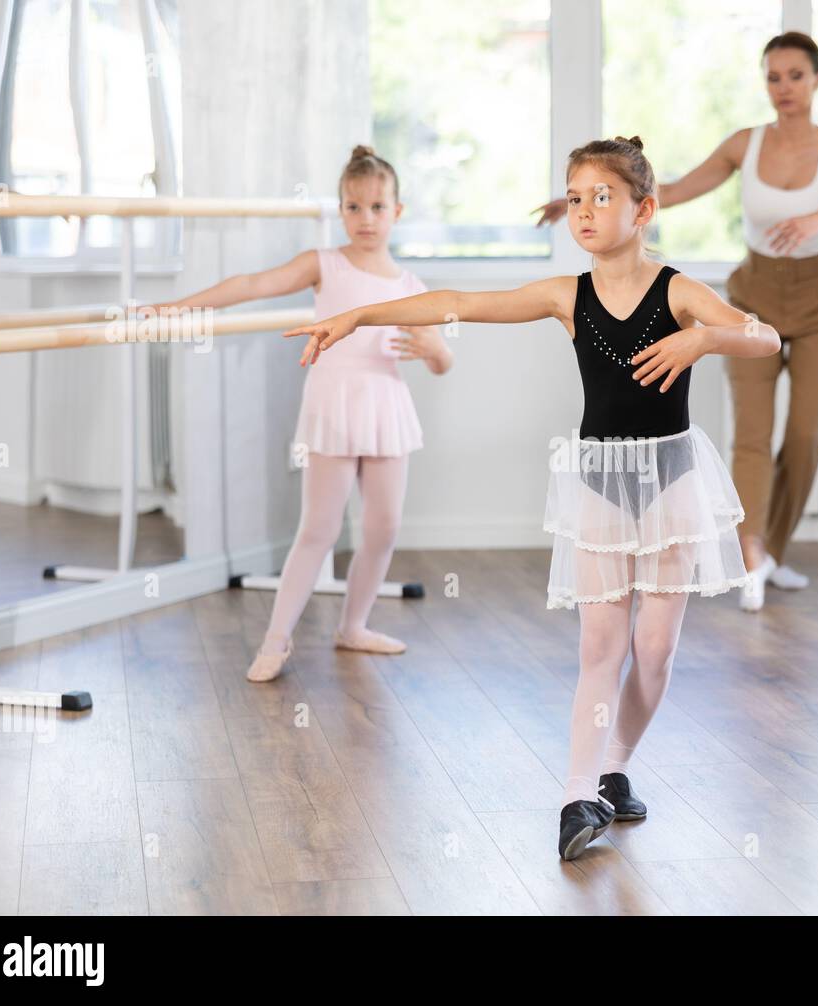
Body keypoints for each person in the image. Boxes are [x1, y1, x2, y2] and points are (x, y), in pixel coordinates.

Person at [284, 136, 781, 861]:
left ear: (644, 210)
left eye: (600, 196)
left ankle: (614, 768)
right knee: (599, 648)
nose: (582, 210)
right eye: (574, 197)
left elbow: (764, 338)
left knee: (655, 650)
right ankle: (578, 795)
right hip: (601, 487)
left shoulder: (676, 291)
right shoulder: (564, 295)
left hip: (672, 483)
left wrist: (702, 340)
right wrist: (357, 316)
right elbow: (458, 301)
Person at [536, 31, 818, 612]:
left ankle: (775, 547)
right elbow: (672, 190)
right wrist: (595, 199)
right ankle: (751, 556)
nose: (783, 88)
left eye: (795, 76)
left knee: (804, 437)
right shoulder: (745, 144)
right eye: (773, 77)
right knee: (753, 436)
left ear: (817, 81)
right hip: (754, 291)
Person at [147, 146, 452, 682]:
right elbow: (250, 285)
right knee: (318, 529)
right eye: (353, 207)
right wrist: (175, 310)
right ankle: (276, 639)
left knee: (383, 528)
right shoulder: (323, 264)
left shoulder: (410, 287)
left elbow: (444, 360)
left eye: (377, 207)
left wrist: (428, 349)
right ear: (340, 210)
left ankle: (353, 626)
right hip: (333, 405)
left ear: (397, 212)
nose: (365, 219)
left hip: (386, 408)